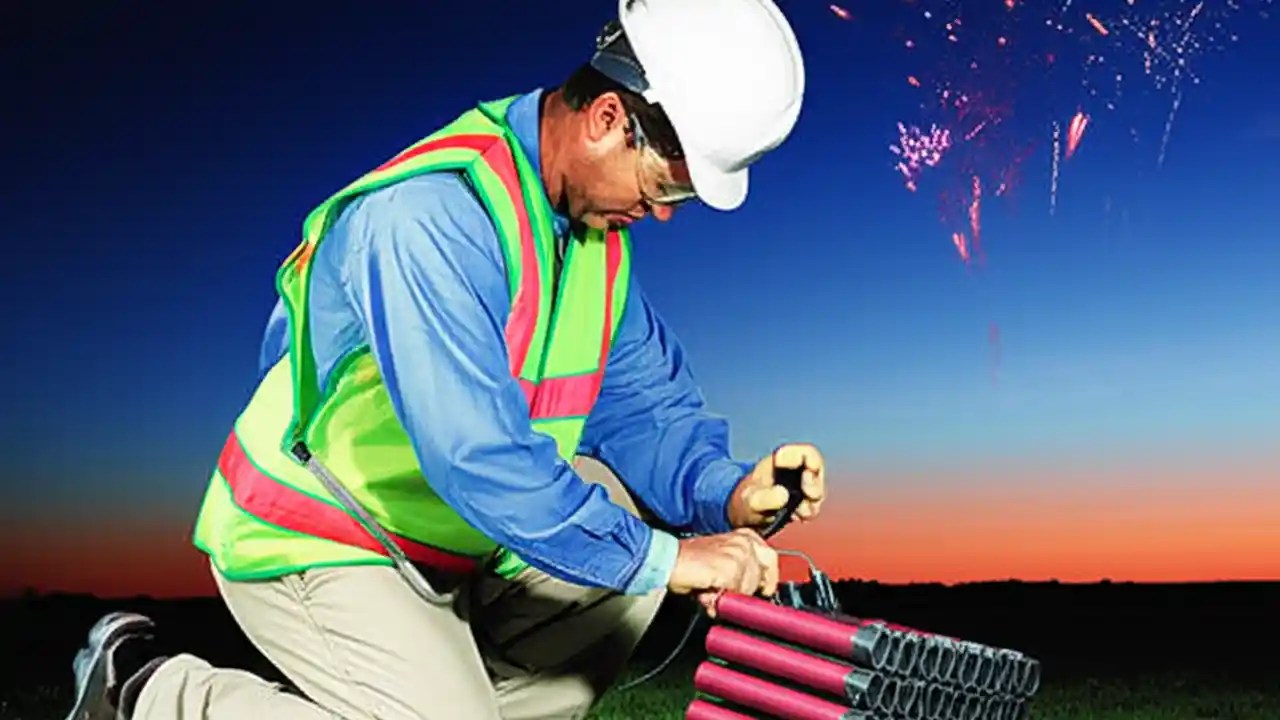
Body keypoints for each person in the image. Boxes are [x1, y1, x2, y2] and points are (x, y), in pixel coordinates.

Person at [64, 1, 828, 718]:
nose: (663, 212)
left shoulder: (594, 243)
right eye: (667, 185)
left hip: (458, 541)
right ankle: (143, 688)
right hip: (323, 536)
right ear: (608, 119)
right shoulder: (428, 219)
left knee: (614, 548)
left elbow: (645, 409)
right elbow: (477, 458)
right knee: (638, 560)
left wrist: (729, 495)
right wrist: (673, 560)